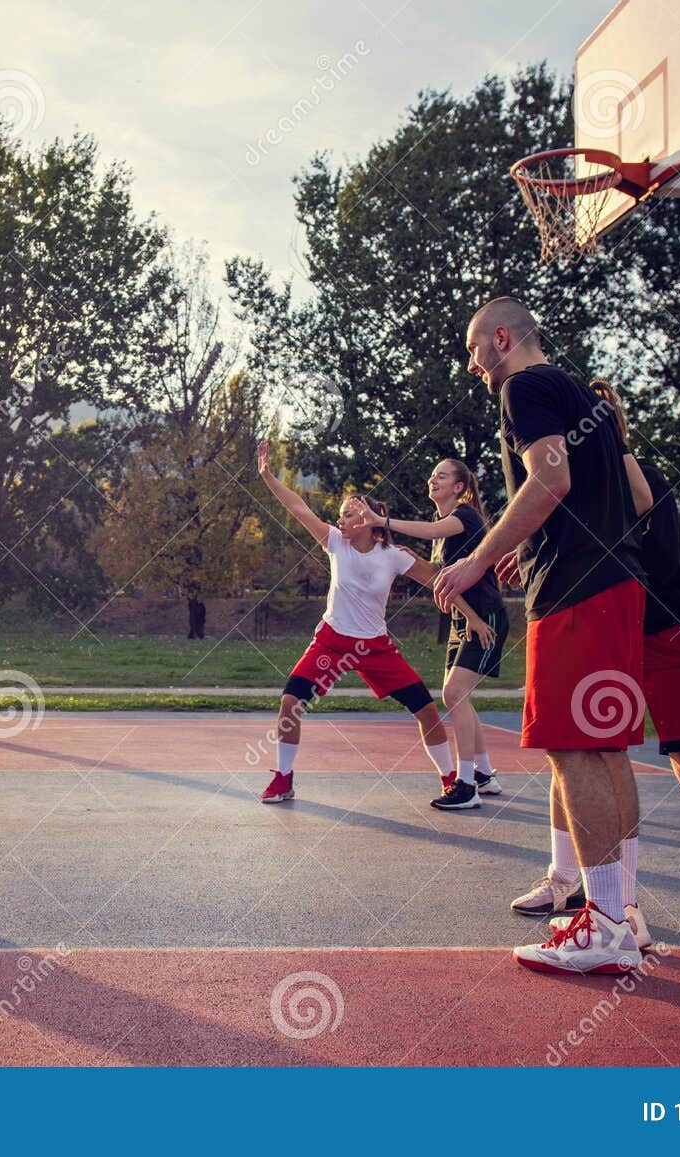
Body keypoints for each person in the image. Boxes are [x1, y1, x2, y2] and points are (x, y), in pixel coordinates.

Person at [435, 297, 646, 975]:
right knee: (606, 749)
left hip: (577, 592)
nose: (473, 365)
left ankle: (607, 926)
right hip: (617, 581)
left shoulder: (523, 386)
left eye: (474, 349)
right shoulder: (584, 393)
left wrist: (474, 556)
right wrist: (518, 544)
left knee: (571, 748)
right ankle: (626, 913)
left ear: (503, 338)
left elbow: (549, 479)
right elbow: (627, 498)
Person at [545, 386, 680, 943]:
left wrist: (614, 441)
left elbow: (639, 502)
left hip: (666, 632)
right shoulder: (584, 491)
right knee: (594, 761)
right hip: (610, 632)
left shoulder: (631, 475)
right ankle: (613, 903)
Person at [254, 440, 457, 806]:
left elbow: (442, 580)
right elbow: (298, 508)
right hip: (332, 641)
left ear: (370, 521)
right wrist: (268, 476)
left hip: (374, 646)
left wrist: (474, 609)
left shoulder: (393, 556)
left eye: (349, 514)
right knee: (290, 703)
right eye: (342, 514)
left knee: (427, 710)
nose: (341, 520)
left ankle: (451, 779)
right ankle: (283, 778)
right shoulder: (336, 543)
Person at [351, 458, 508, 808]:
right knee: (460, 697)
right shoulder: (445, 524)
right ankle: (484, 775)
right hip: (464, 619)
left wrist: (382, 522)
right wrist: (414, 559)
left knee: (454, 694)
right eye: (432, 474)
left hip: (485, 616)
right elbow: (441, 572)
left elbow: (432, 532)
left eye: (442, 476)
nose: (433, 479)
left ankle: (466, 786)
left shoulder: (465, 516)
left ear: (459, 487)